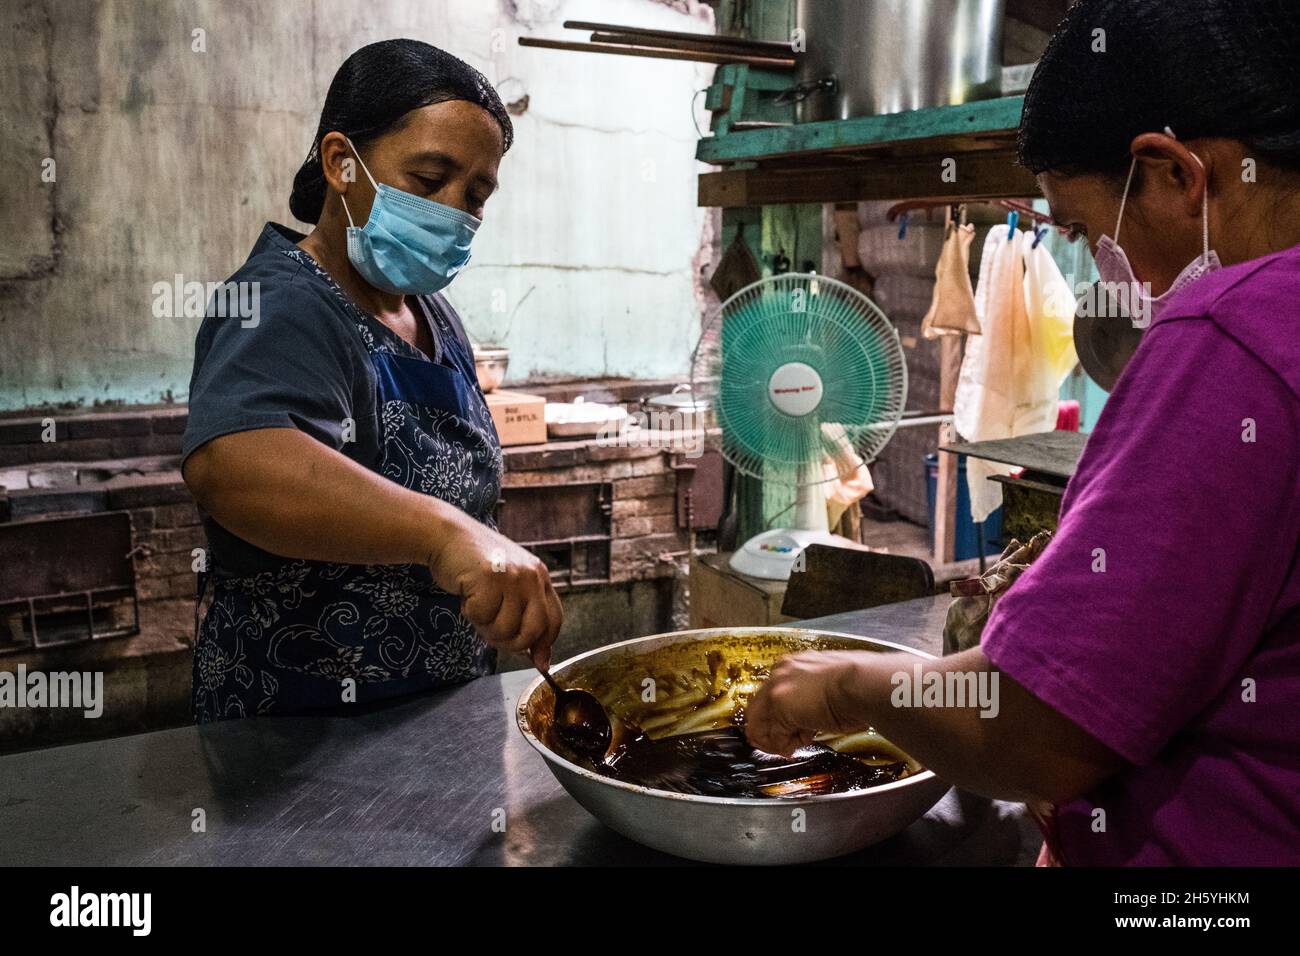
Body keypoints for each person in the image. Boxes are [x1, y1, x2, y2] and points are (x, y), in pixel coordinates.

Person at [746, 0, 1300, 865]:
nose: (1104, 267)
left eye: (1080, 229)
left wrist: (852, 686)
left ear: (1171, 172)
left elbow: (1043, 729)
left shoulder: (1231, 332)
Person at [182, 39, 561, 722]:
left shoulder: (433, 316)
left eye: (476, 193)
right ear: (340, 163)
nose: (455, 210)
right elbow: (233, 465)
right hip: (300, 735)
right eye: (428, 178)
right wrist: (446, 536)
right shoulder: (281, 304)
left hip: (440, 710)